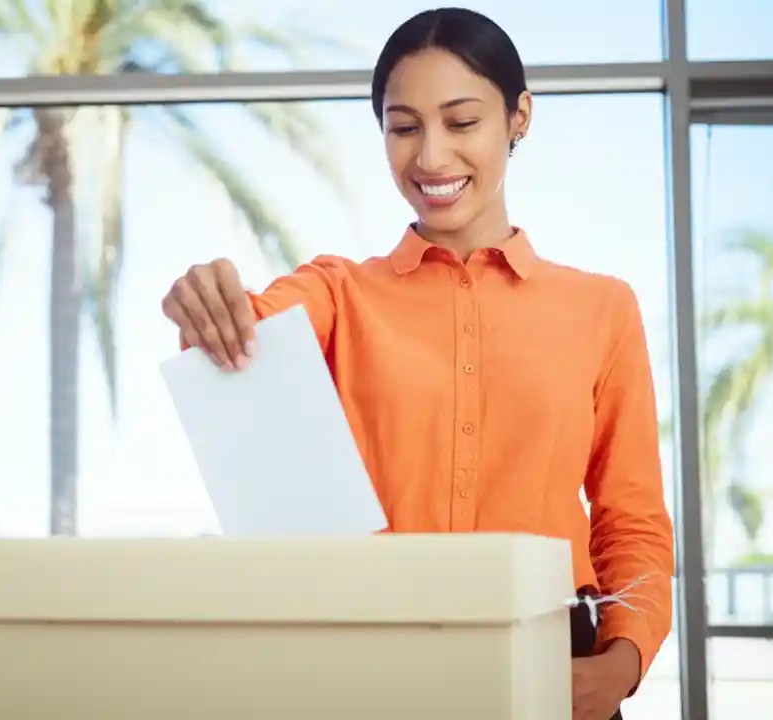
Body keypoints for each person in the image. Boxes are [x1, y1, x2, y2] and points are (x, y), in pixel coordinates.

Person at [160, 7, 675, 720]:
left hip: (557, 660)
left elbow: (633, 521)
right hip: (375, 660)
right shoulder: (339, 291)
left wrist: (620, 666)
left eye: (462, 123)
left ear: (518, 117)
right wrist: (205, 303)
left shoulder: (602, 309)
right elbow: (240, 332)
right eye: (404, 128)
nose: (431, 158)